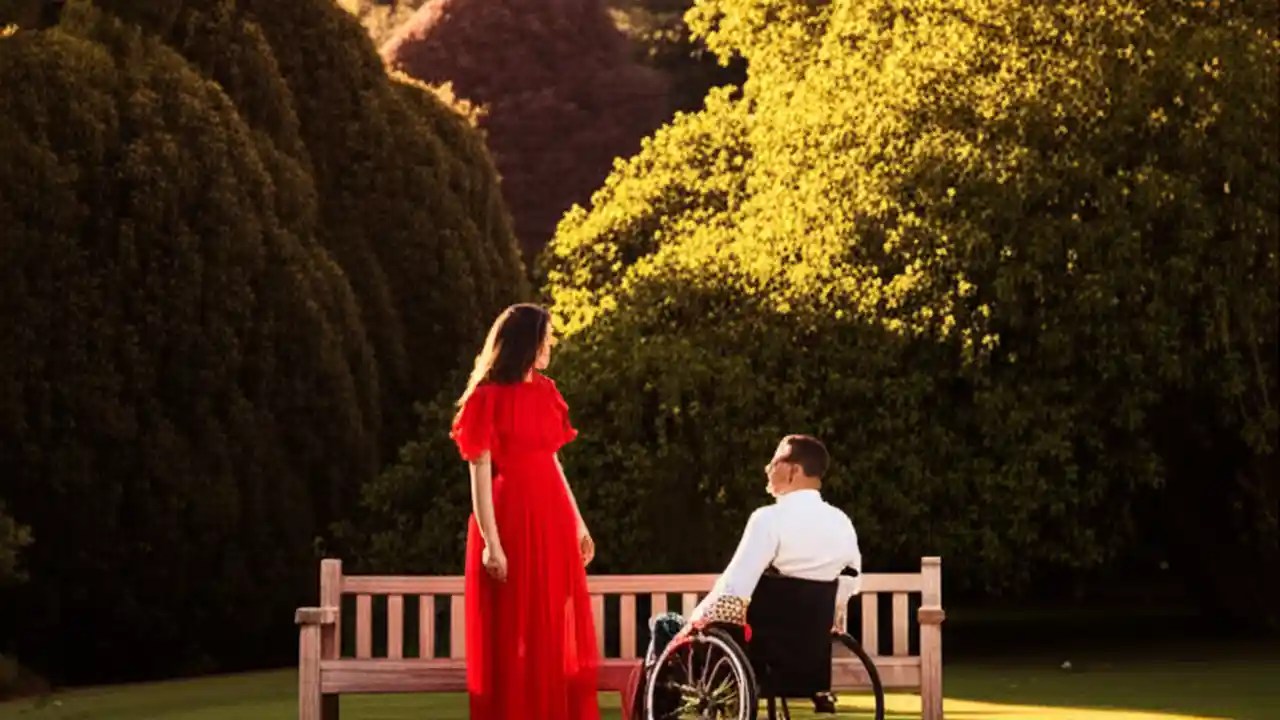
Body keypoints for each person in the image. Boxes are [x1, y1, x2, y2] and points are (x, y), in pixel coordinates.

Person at [635, 435, 860, 716]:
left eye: (774, 461)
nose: (767, 468)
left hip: (753, 656)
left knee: (665, 626)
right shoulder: (841, 522)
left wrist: (692, 625)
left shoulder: (768, 520)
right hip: (809, 654)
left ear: (793, 470)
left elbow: (734, 588)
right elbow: (850, 582)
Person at [451, 303, 599, 720]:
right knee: (511, 630)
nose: (550, 345)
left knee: (549, 629)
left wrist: (579, 524)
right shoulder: (484, 398)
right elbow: (479, 473)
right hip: (510, 520)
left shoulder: (547, 391)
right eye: (544, 338)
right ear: (525, 343)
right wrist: (491, 543)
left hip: (552, 518)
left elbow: (553, 462)